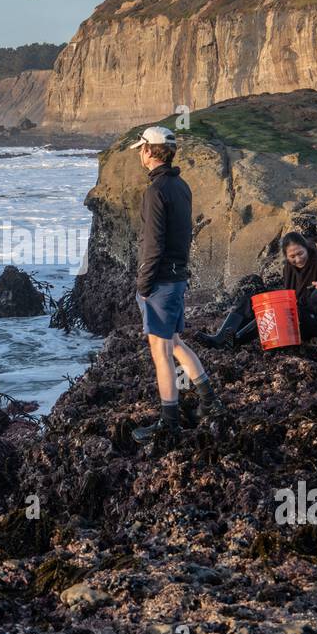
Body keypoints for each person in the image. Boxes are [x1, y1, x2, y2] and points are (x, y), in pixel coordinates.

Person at [129, 126, 226, 443]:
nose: (140, 156)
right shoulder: (180, 186)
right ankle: (211, 402)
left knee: (161, 351)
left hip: (161, 281)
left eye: (141, 150)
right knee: (173, 342)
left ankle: (169, 423)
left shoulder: (156, 191)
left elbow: (153, 244)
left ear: (147, 151)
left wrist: (144, 285)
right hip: (176, 276)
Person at [194, 231, 317, 348]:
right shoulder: (289, 268)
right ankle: (222, 336)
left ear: (306, 248)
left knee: (275, 310)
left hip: (313, 318)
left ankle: (236, 340)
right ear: (286, 257)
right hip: (295, 313)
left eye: (300, 253)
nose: (298, 259)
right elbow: (289, 294)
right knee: (250, 295)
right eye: (292, 256)